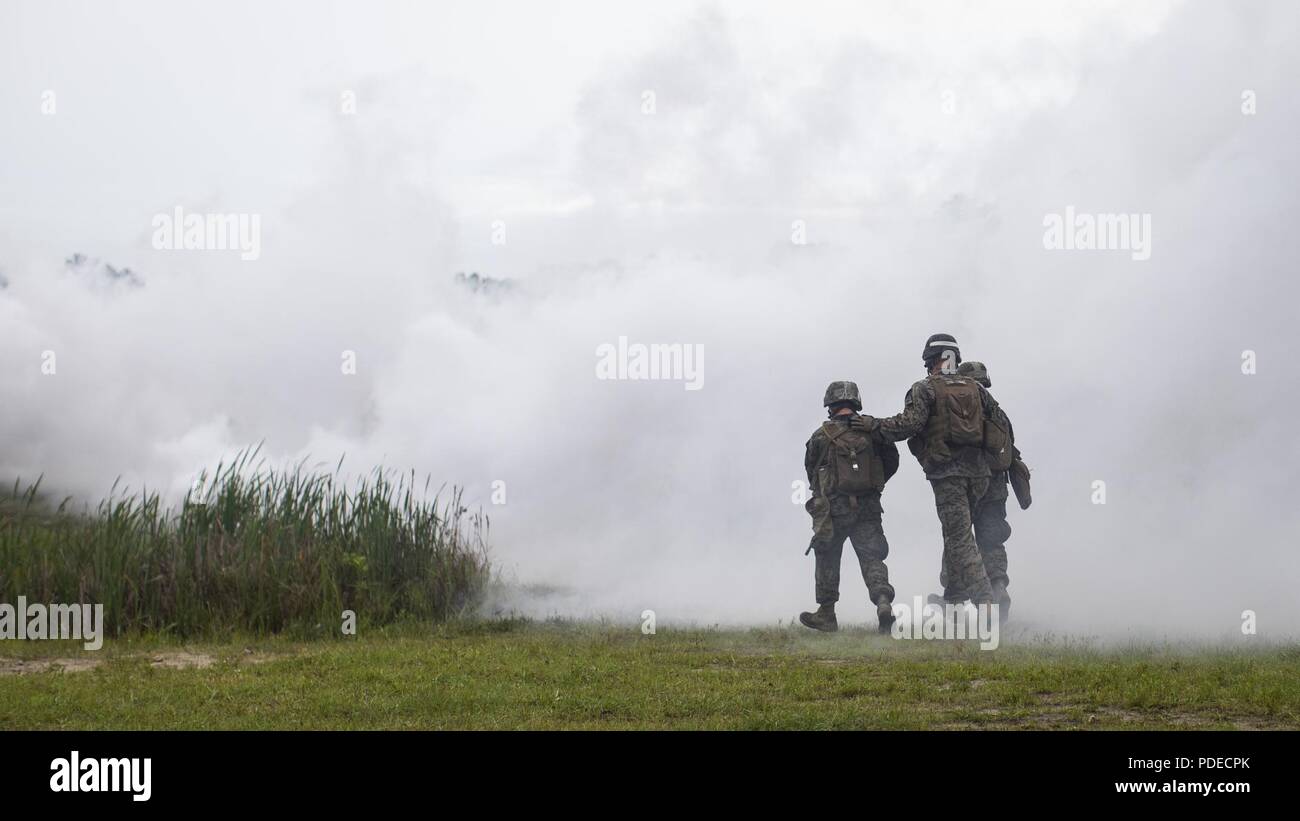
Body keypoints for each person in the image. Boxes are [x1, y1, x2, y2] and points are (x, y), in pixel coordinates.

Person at [869, 334, 1004, 606]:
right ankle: (953, 598)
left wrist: (873, 426)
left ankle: (987, 604)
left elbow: (907, 425)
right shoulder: (977, 389)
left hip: (948, 476)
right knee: (955, 535)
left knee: (960, 539)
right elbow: (999, 424)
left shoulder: (925, 388)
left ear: (930, 361)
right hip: (980, 476)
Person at [799, 381, 900, 633]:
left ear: (830, 405)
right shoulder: (872, 432)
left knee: (827, 556)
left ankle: (826, 613)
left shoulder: (821, 435)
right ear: (856, 403)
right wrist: (873, 487)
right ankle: (883, 602)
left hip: (833, 510)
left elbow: (811, 471)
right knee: (872, 556)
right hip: (868, 507)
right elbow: (891, 462)